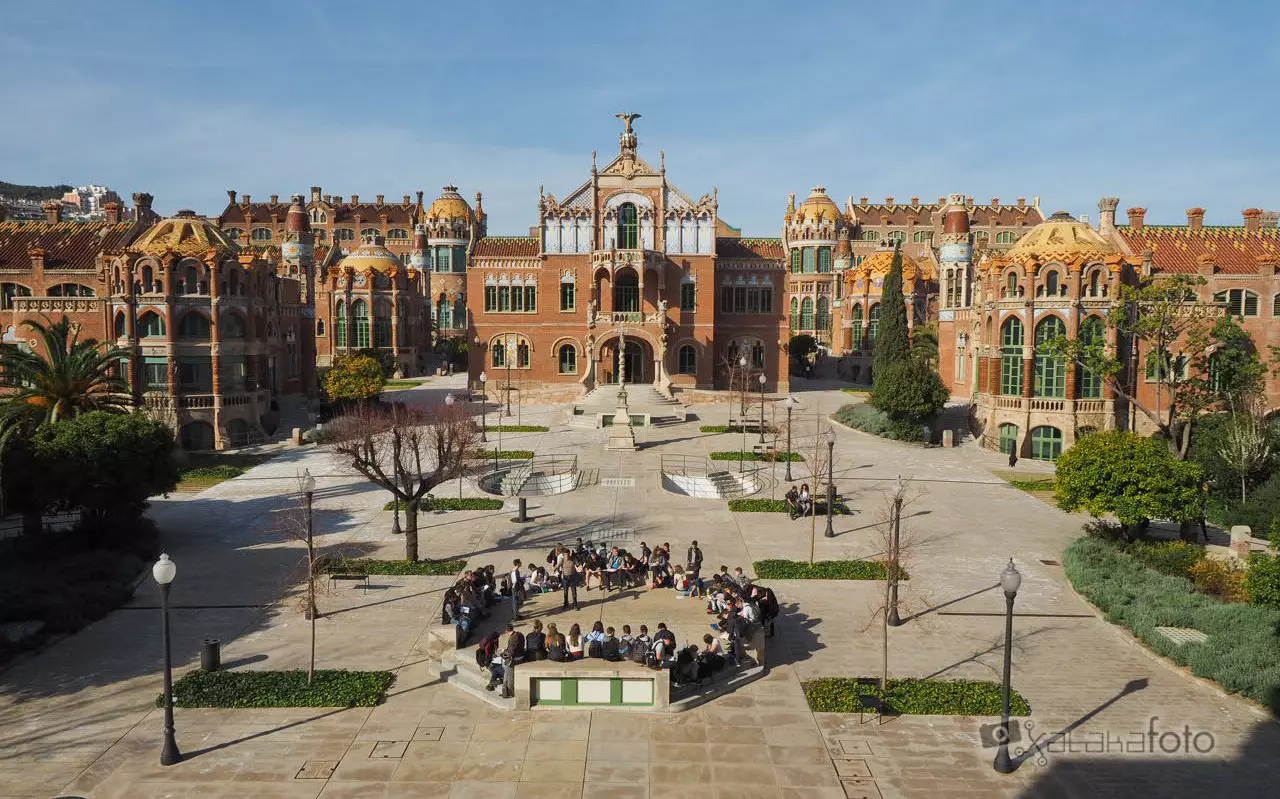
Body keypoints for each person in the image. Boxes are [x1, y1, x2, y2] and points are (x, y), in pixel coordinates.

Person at [502, 623, 524, 697]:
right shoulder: (519, 634)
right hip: (521, 655)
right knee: (506, 670)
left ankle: (510, 692)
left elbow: (511, 653)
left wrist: (502, 653)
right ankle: (504, 689)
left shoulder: (512, 639)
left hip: (515, 659)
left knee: (509, 673)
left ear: (506, 631)